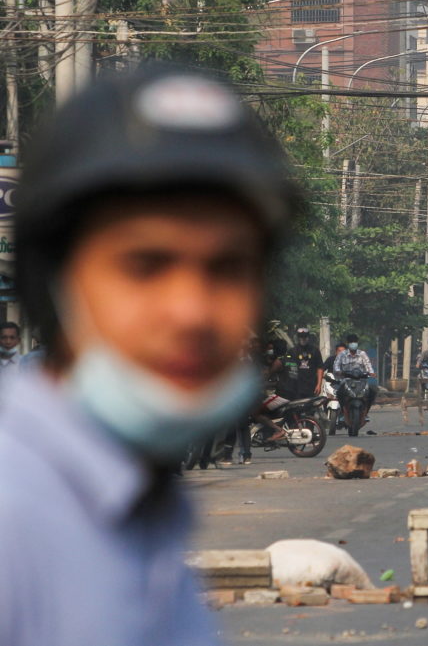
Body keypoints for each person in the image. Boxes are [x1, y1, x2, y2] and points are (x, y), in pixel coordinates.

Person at [0, 66, 297, 645]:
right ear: (53, 280)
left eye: (227, 268)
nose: (192, 311)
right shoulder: (14, 516)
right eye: (145, 265)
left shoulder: (141, 503)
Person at [334, 334, 378, 428]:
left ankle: (365, 412)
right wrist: (338, 371)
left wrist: (371, 373)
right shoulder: (342, 354)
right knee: (339, 393)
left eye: (355, 342)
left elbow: (368, 365)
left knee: (372, 392)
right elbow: (336, 365)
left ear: (357, 343)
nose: (353, 344)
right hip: (346, 380)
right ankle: (342, 413)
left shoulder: (362, 354)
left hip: (361, 381)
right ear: (348, 344)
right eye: (351, 342)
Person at [278, 326, 324, 400]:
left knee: (310, 409)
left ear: (308, 337)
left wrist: (319, 385)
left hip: (311, 387)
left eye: (305, 337)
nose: (303, 339)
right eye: (301, 337)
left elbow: (320, 368)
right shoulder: (292, 351)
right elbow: (287, 368)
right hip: (296, 388)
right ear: (298, 337)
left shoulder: (315, 351)